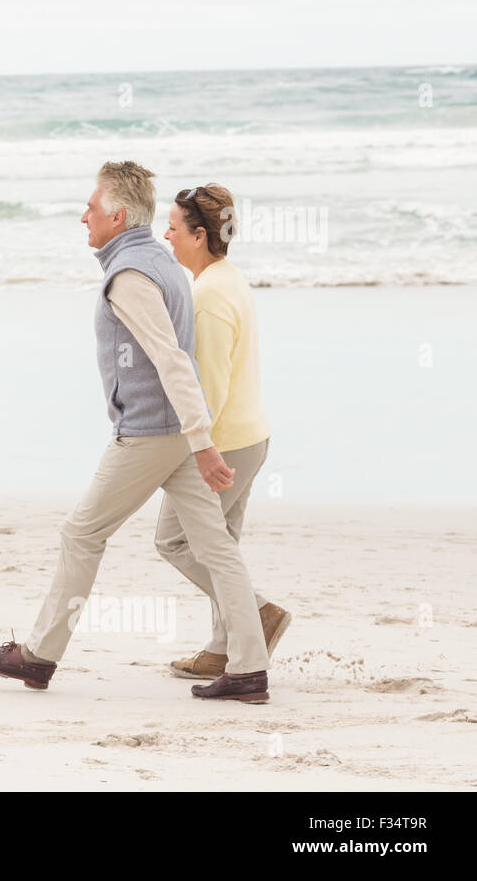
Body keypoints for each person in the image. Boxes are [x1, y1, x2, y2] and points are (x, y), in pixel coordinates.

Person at [0, 161, 270, 702]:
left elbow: (173, 359)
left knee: (81, 534)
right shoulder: (160, 261)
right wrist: (195, 437)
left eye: (91, 207)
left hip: (152, 434)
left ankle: (38, 657)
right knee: (216, 547)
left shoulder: (130, 276)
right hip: (174, 431)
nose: (83, 216)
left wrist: (202, 443)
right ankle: (249, 669)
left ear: (118, 214)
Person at [157, 184, 290, 678]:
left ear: (197, 235)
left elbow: (205, 388)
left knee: (174, 542)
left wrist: (196, 450)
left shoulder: (208, 297)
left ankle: (258, 612)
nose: (165, 236)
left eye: (172, 227)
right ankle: (222, 648)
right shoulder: (228, 278)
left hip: (226, 443)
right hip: (251, 435)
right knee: (221, 548)